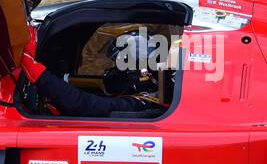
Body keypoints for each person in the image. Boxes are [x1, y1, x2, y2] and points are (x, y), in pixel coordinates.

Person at [16, 27, 167, 117]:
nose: (112, 71)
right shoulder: (149, 97)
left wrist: (38, 73)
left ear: (139, 74)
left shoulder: (140, 105)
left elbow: (85, 105)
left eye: (119, 66)